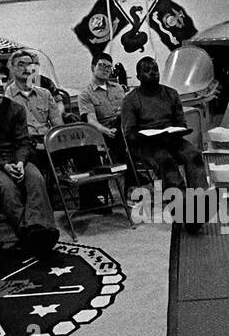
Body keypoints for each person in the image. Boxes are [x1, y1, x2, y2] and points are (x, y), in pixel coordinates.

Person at [0, 61, 59, 256]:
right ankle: (29, 233)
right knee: (6, 187)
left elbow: (23, 142)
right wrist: (4, 166)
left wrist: (21, 163)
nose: (0, 84)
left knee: (36, 179)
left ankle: (39, 229)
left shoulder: (16, 109)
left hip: (16, 159)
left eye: (4, 80)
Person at [121, 56, 209, 233]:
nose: (153, 73)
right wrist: (146, 136)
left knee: (194, 155)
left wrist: (175, 132)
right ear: (138, 76)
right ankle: (183, 210)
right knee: (167, 163)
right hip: (146, 144)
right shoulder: (131, 99)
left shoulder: (171, 94)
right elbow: (128, 133)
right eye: (147, 70)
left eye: (155, 69)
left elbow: (181, 123)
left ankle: (200, 202)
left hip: (172, 138)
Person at [6, 49, 64, 143]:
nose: (26, 69)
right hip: (23, 144)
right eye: (21, 65)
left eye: (29, 65)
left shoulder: (45, 93)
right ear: (12, 68)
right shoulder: (6, 97)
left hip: (48, 141)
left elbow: (57, 121)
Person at [78, 53, 127, 139]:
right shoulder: (85, 95)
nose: (106, 70)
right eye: (102, 65)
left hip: (126, 126)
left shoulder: (118, 88)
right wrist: (107, 131)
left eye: (109, 67)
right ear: (93, 68)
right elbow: (92, 121)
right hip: (107, 132)